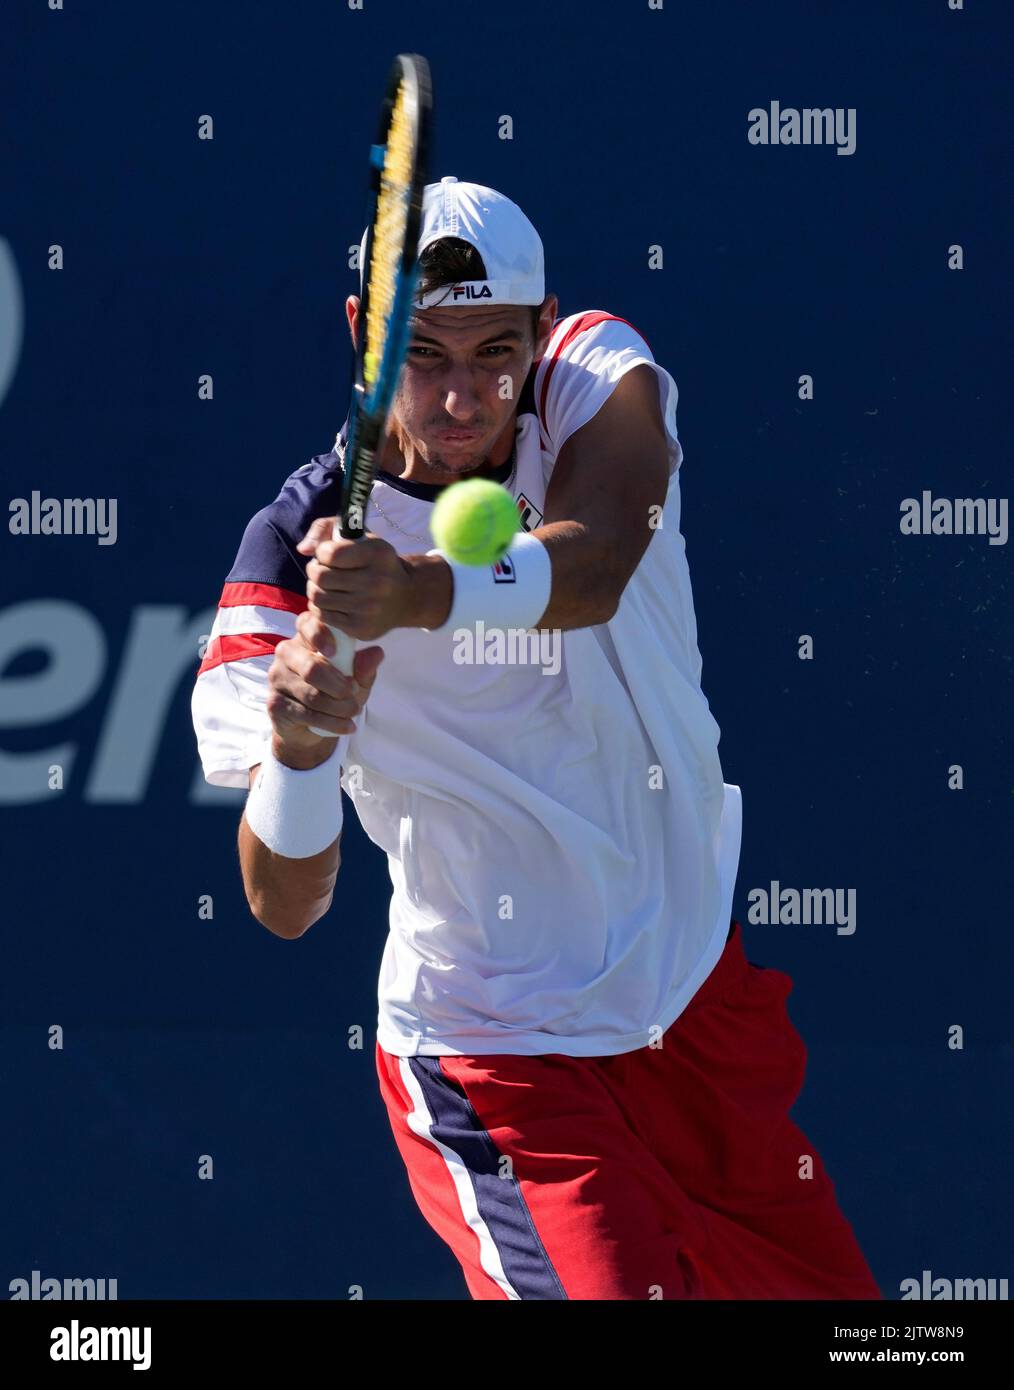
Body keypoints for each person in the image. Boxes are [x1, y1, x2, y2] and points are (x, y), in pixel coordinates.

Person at [191, 176, 880, 1300]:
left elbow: (599, 557)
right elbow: (282, 901)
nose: (465, 397)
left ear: (544, 332)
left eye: (494, 354)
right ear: (365, 340)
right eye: (425, 357)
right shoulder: (282, 562)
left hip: (694, 1011)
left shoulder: (595, 379)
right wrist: (304, 743)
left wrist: (414, 592)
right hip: (497, 1059)